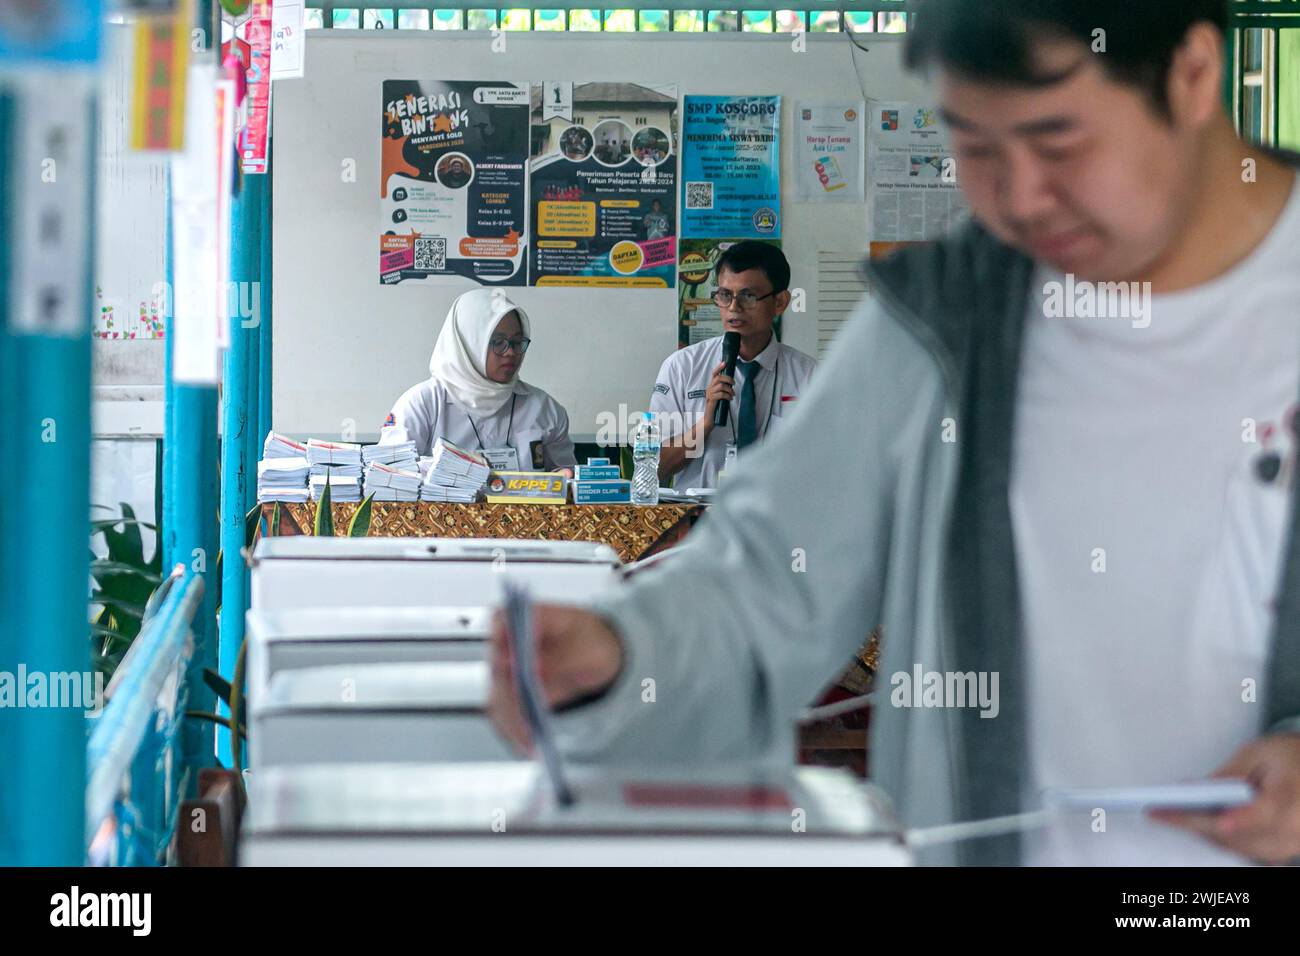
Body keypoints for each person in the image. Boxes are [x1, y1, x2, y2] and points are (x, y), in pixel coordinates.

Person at [488, 0, 1300, 866]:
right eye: (976, 147)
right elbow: (766, 578)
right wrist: (620, 654)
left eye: (1060, 142)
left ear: (1194, 75)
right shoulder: (943, 328)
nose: (1018, 198)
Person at [650, 241, 816, 489]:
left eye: (748, 296)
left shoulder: (810, 376)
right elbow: (655, 468)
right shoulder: (681, 367)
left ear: (780, 302)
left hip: (778, 520)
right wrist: (705, 424)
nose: (733, 308)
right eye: (725, 295)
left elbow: (829, 465)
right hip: (698, 521)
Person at [385, 289, 576, 473]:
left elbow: (566, 477)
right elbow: (389, 477)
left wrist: (564, 477)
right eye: (498, 342)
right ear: (468, 344)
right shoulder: (423, 404)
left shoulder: (544, 408)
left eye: (517, 342)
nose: (510, 352)